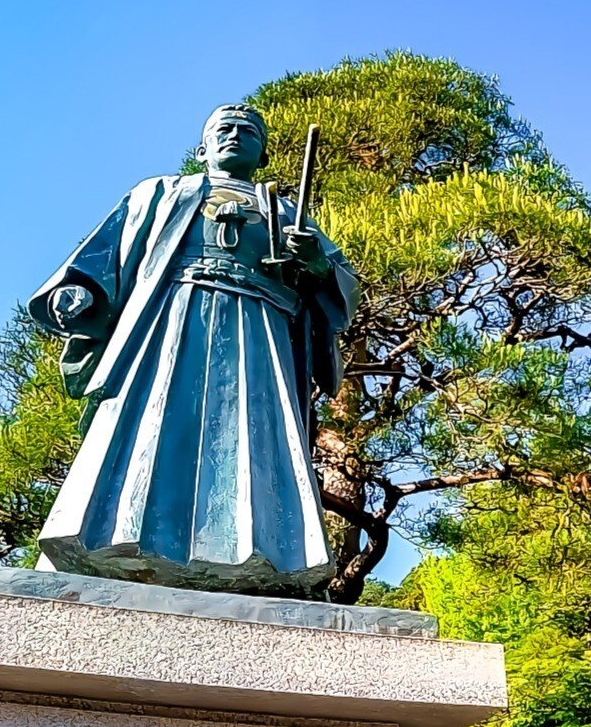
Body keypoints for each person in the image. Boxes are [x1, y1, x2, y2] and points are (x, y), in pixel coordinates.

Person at [27, 103, 356, 595]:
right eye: (224, 128)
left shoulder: (285, 211)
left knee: (253, 438)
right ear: (203, 148)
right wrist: (80, 293)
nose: (236, 135)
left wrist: (314, 262)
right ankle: (113, 539)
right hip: (171, 321)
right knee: (153, 424)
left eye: (249, 131)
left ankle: (264, 556)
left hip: (258, 332)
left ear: (262, 153)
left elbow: (340, 291)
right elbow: (104, 256)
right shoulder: (160, 194)